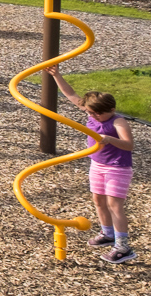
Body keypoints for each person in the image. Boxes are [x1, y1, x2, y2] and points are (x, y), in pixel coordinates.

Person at [43, 66, 137, 264]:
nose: (92, 117)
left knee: (114, 205)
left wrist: (109, 139)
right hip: (97, 164)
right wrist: (56, 75)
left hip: (117, 167)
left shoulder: (118, 122)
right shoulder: (92, 112)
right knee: (98, 201)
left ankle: (123, 246)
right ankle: (107, 233)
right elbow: (71, 95)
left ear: (111, 110)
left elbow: (129, 145)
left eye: (96, 114)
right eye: (90, 113)